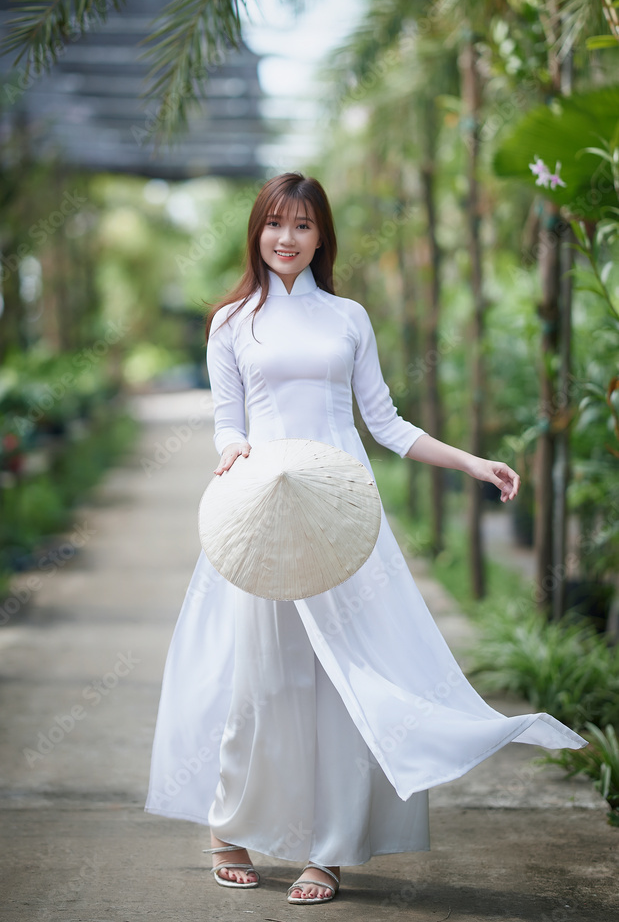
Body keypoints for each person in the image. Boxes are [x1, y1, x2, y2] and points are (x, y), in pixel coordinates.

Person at [145, 172, 586, 905]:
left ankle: (331, 850)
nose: (286, 238)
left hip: (343, 516)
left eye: (302, 225)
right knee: (260, 679)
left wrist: (471, 462)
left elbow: (384, 422)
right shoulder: (231, 321)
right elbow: (228, 419)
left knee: (343, 685)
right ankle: (229, 828)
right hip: (261, 514)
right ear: (257, 232)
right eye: (274, 224)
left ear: (321, 236)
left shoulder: (348, 317)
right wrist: (233, 450)